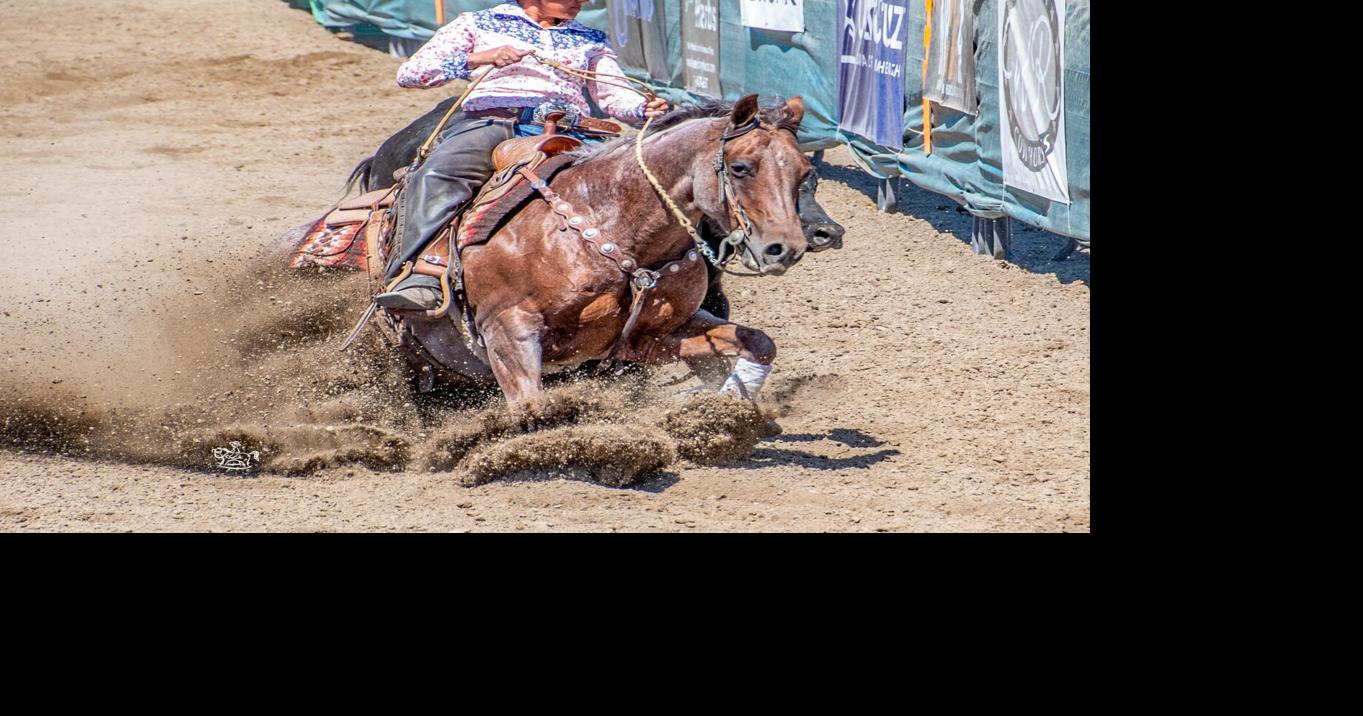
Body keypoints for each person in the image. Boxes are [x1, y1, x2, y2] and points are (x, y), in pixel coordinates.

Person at [376, 0, 670, 310]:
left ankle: (651, 277)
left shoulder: (591, 38)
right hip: (495, 122)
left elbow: (615, 94)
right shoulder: (478, 23)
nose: (581, 2)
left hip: (572, 131)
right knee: (441, 174)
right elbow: (412, 73)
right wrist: (481, 58)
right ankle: (421, 274)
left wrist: (641, 108)